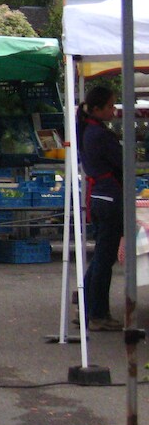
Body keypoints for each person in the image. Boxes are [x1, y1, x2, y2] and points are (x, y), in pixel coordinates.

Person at [77, 86, 123, 332]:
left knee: (101, 258)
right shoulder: (99, 135)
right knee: (104, 259)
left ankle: (86, 305)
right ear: (97, 109)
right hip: (108, 199)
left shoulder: (89, 131)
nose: (113, 111)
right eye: (110, 106)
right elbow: (122, 162)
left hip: (99, 198)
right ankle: (97, 313)